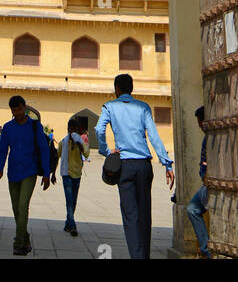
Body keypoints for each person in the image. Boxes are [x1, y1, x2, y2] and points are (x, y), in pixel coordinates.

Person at [96, 73, 174, 260]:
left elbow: (99, 129)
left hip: (124, 166)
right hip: (144, 166)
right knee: (144, 213)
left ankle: (137, 256)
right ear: (132, 88)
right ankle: (144, 255)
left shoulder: (109, 106)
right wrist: (167, 163)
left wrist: (106, 151)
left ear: (116, 89)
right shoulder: (143, 107)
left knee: (131, 216)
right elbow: (154, 136)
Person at [0, 94, 50, 255]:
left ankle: (18, 243)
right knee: (16, 208)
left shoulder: (35, 126)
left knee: (23, 206)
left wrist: (46, 173)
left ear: (24, 108)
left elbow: (44, 149)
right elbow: (3, 150)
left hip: (30, 171)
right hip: (13, 172)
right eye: (13, 109)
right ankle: (25, 238)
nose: (16, 112)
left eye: (19, 108)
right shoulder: (8, 127)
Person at [186, 105, 210, 259]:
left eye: (200, 121)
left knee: (193, 209)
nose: (199, 125)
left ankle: (206, 250)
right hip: (207, 184)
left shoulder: (211, 138)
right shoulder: (206, 139)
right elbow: (203, 163)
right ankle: (206, 248)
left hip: (211, 186)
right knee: (192, 209)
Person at [57, 118, 88, 236]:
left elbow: (86, 153)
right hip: (66, 174)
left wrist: (78, 143)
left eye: (74, 129)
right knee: (69, 200)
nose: (72, 131)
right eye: (70, 129)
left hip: (77, 174)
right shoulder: (63, 142)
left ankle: (67, 223)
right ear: (68, 129)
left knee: (73, 200)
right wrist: (53, 174)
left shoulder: (80, 141)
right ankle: (73, 225)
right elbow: (57, 156)